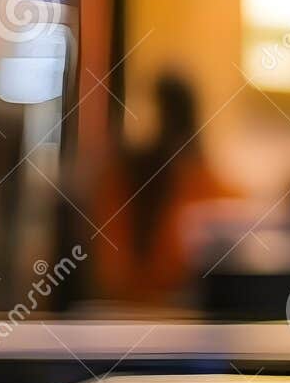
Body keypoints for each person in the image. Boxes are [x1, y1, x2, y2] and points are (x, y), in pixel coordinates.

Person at [96, 71, 230, 305]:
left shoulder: (204, 183)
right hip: (127, 311)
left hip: (172, 313)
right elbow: (112, 273)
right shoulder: (120, 181)